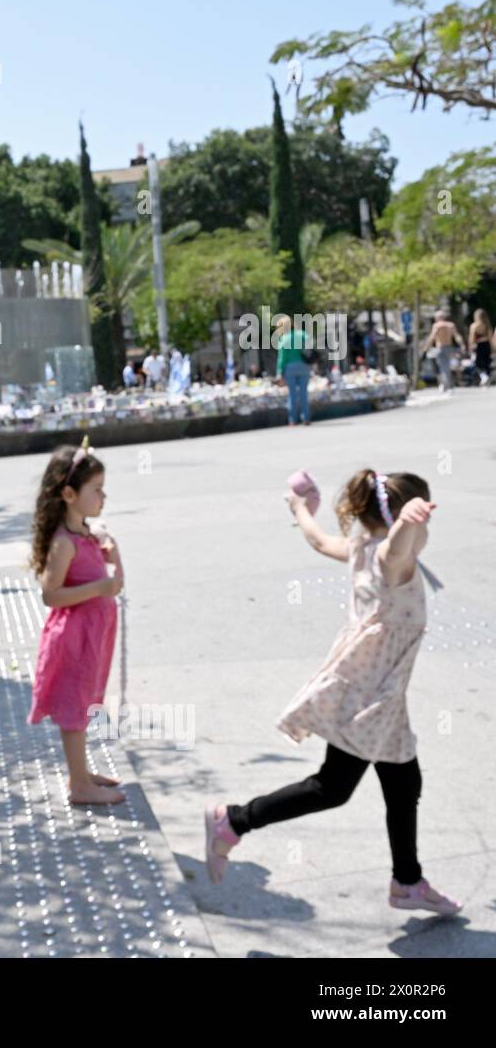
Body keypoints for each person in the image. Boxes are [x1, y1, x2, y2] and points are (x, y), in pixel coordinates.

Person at [206, 469, 462, 916]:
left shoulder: (361, 546)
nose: (426, 534)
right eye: (423, 524)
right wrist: (408, 522)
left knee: (404, 784)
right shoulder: (390, 558)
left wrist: (300, 508)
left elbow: (321, 541)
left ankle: (407, 882)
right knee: (332, 788)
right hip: (367, 700)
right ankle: (233, 820)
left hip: (382, 697)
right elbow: (398, 544)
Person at [27, 442, 125, 806]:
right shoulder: (64, 543)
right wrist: (98, 587)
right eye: (96, 489)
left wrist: (112, 552)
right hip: (73, 638)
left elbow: (116, 584)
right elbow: (50, 595)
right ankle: (80, 786)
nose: (103, 496)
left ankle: (80, 773)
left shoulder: (86, 535)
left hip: (93, 636)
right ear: (69, 494)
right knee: (73, 708)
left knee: (83, 703)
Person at [274, 314, 312, 426]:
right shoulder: (303, 335)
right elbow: (310, 349)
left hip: (290, 369)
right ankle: (306, 418)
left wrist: (279, 373)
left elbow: (282, 359)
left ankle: (293, 420)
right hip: (304, 367)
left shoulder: (284, 339)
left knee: (292, 394)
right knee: (304, 393)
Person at [420, 311, 463, 393]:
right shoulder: (450, 325)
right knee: (447, 367)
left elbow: (432, 337)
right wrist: (462, 345)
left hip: (440, 348)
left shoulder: (436, 326)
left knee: (444, 368)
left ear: (437, 318)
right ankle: (446, 384)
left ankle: (448, 385)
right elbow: (457, 336)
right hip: (449, 348)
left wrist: (425, 348)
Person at [468, 308, 492, 386]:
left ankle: (483, 376)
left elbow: (471, 339)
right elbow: (490, 337)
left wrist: (470, 347)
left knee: (477, 364)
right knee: (486, 363)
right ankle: (486, 377)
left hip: (478, 346)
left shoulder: (474, 326)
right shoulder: (487, 325)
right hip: (486, 345)